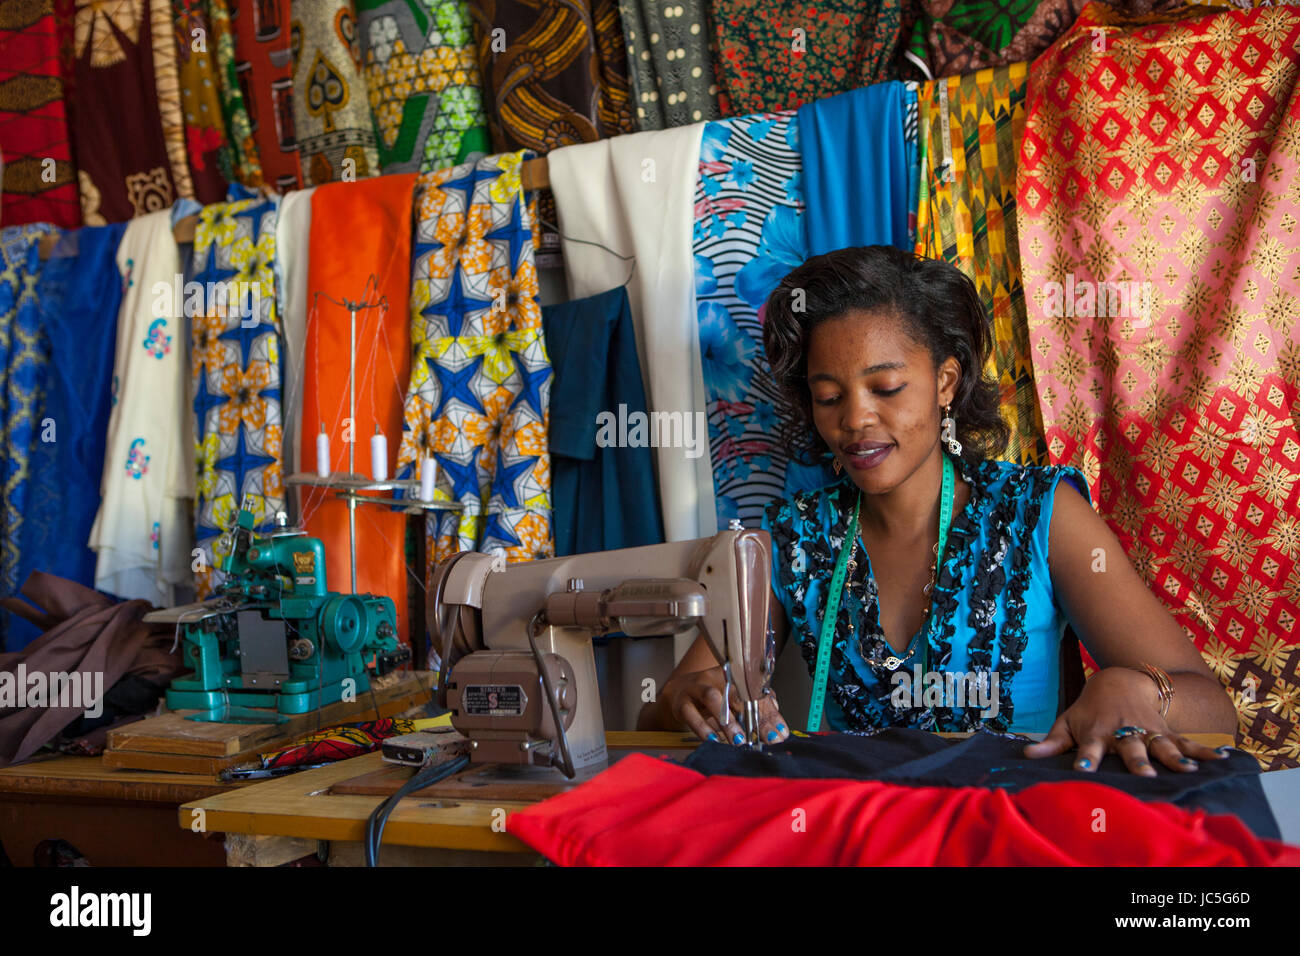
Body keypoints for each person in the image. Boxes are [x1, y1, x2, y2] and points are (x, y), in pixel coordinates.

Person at [644, 246, 1237, 777]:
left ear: (945, 382)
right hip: (868, 838)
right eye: (829, 397)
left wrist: (1134, 691)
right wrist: (691, 698)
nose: (855, 419)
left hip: (1007, 835)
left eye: (886, 388)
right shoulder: (794, 539)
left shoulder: (1040, 514)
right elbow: (664, 717)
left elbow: (1215, 713)